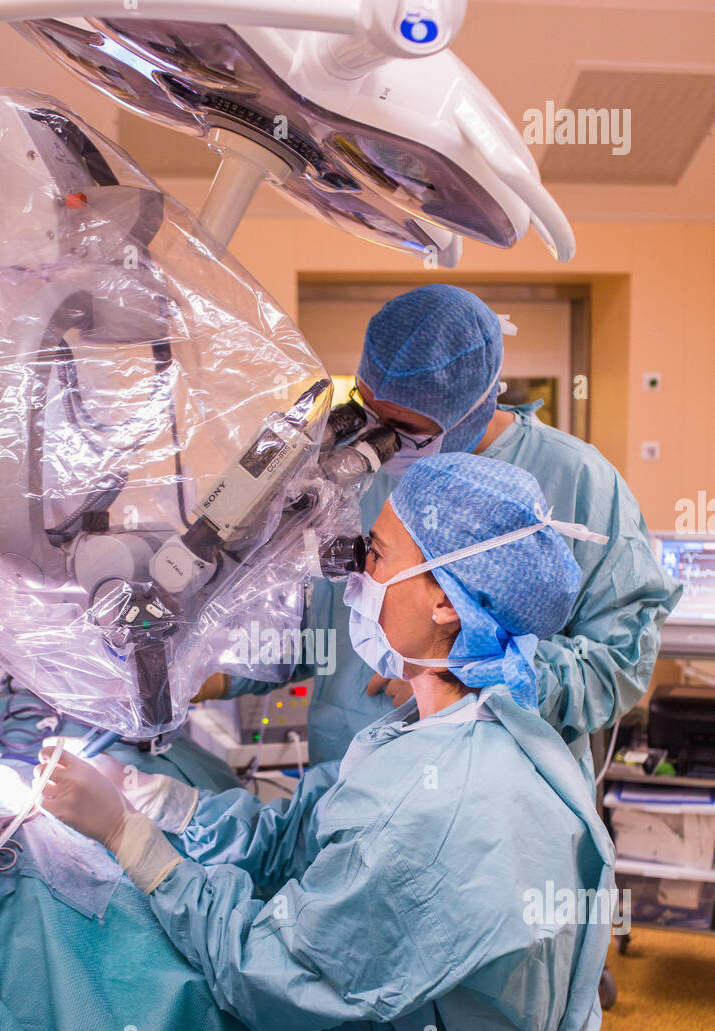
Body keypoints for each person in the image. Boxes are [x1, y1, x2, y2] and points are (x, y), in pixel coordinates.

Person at [39, 453, 629, 1031]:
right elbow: (306, 830)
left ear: (445, 603)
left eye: (375, 556)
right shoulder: (483, 726)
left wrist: (130, 840)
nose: (356, 577)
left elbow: (263, 974)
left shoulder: (436, 806)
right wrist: (164, 803)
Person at [195, 284, 680, 787]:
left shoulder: (579, 481)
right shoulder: (350, 477)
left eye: (400, 427)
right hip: (351, 771)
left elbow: (616, 664)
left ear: (470, 408)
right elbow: (318, 630)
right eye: (366, 410)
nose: (374, 440)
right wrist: (215, 672)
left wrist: (460, 684)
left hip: (493, 787)